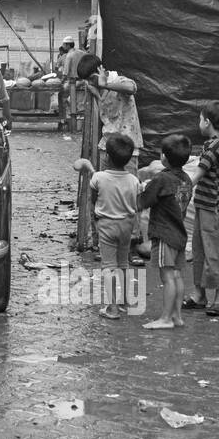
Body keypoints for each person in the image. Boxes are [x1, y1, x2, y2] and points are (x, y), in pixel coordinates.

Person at [77, 53, 145, 260]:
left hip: (128, 148)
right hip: (107, 146)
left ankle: (133, 245)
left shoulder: (118, 81)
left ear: (100, 70)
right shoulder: (95, 88)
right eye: (87, 80)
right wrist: (97, 90)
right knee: (105, 194)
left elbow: (132, 88)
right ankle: (104, 243)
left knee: (130, 196)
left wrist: (105, 83)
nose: (91, 83)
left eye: (92, 77)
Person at [76, 136, 141, 319]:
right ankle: (124, 302)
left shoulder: (98, 177)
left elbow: (94, 198)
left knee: (108, 267)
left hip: (106, 226)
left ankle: (111, 308)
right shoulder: (134, 180)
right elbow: (137, 202)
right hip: (127, 226)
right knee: (123, 264)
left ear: (107, 157)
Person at [183, 102, 219, 318]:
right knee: (199, 251)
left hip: (214, 208)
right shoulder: (214, 144)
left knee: (214, 253)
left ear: (208, 122)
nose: (199, 123)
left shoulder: (215, 147)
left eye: (200, 119)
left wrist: (178, 191)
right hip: (205, 205)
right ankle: (199, 295)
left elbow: (197, 175)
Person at [138, 134, 193, 330]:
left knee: (167, 277)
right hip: (179, 234)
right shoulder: (186, 179)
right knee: (176, 276)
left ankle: (166, 318)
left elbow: (143, 201)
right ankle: (177, 316)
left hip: (164, 234)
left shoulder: (162, 178)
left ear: (163, 158)